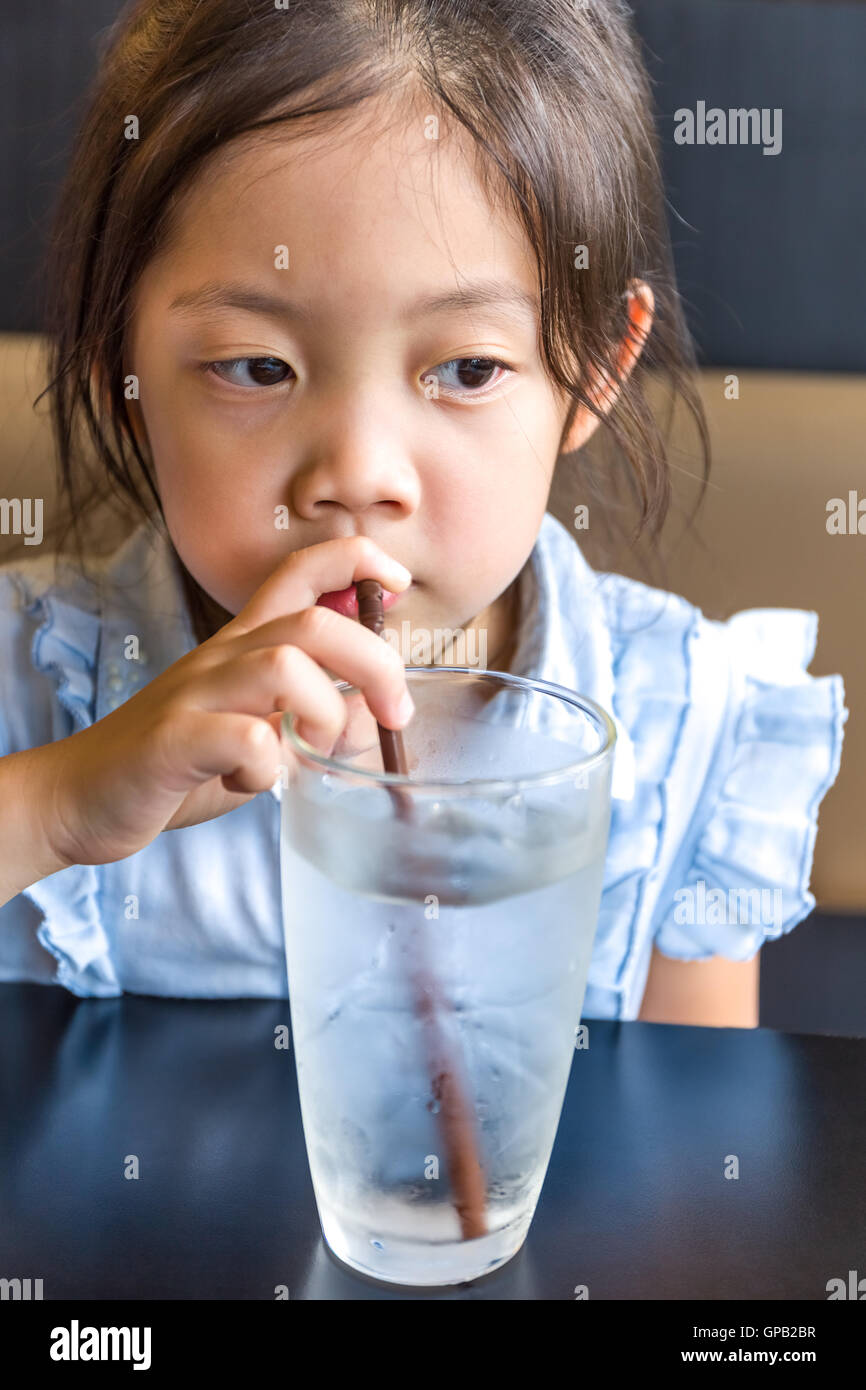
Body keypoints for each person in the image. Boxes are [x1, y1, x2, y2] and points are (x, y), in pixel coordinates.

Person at [0, 0, 846, 1024]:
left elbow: (683, 1156)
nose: (357, 473)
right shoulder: (30, 680)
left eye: (465, 367)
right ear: (118, 368)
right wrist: (57, 804)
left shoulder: (685, 731)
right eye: (257, 367)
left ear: (590, 375)